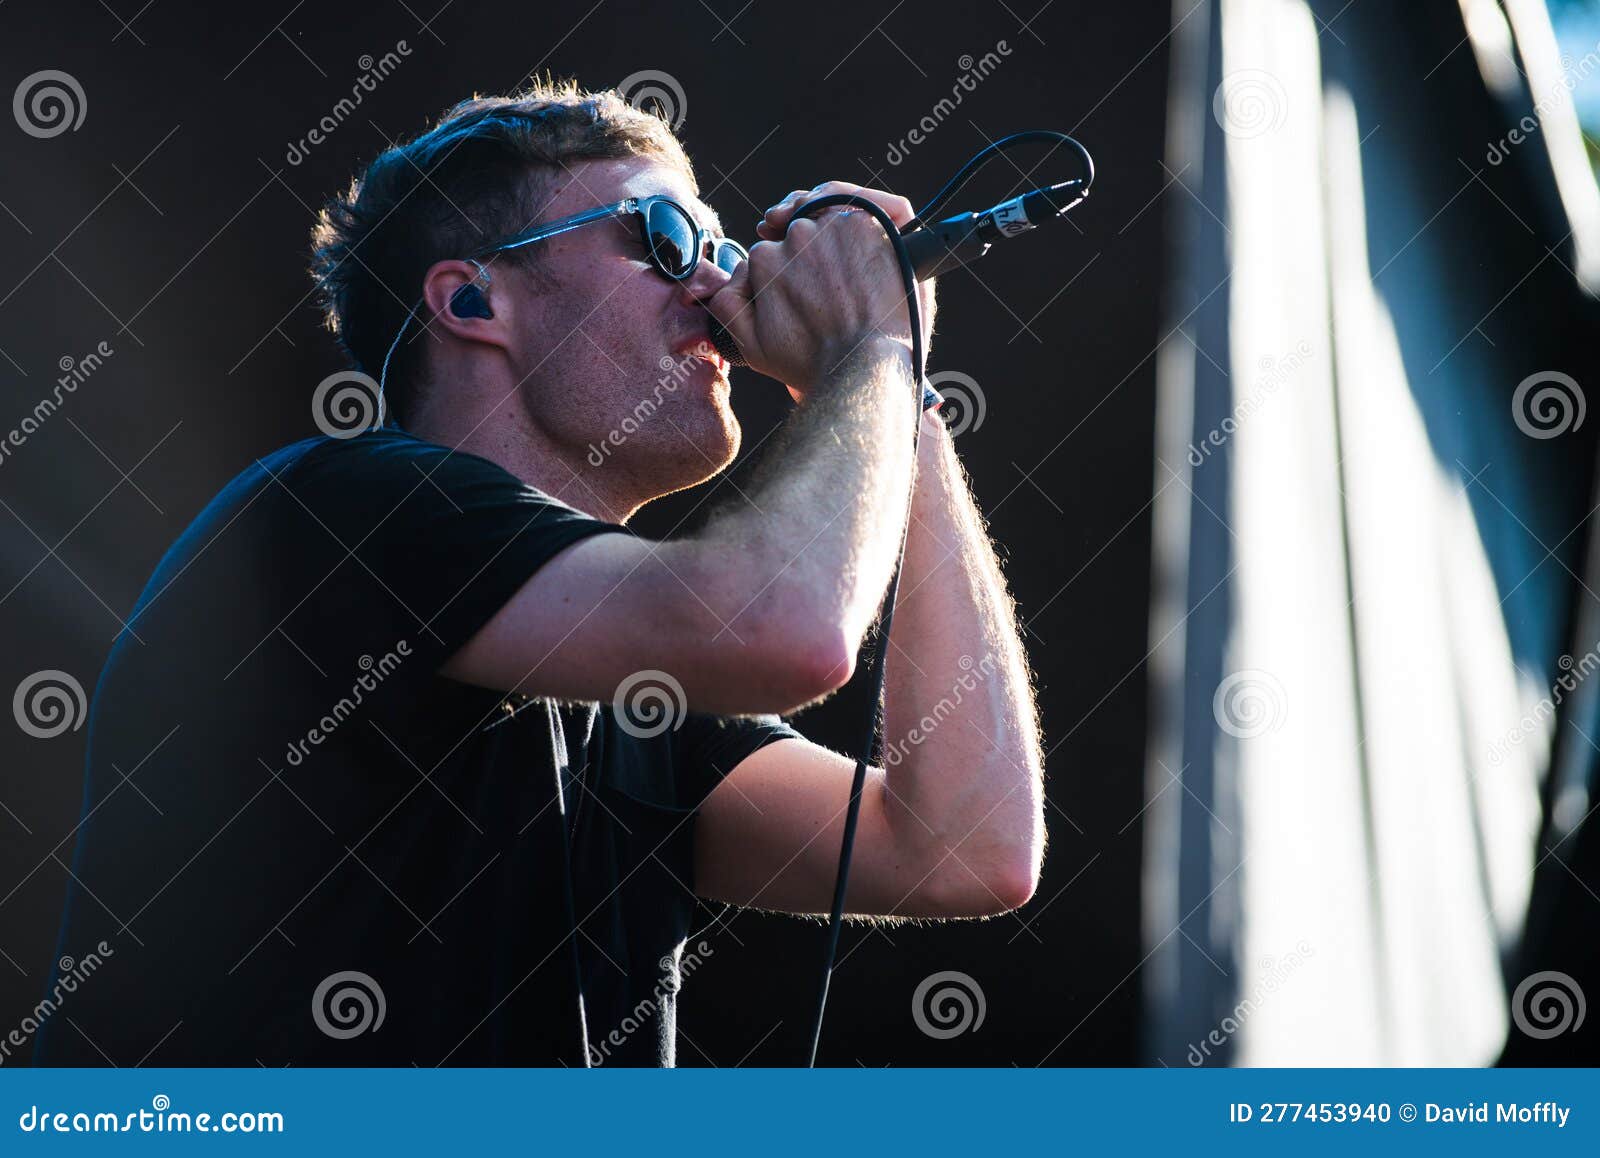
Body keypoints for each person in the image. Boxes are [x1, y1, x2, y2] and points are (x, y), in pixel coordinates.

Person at [37, 79, 1044, 1067]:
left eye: (721, 248)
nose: (713, 283)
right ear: (473, 297)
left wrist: (897, 387)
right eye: (665, 238)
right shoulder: (342, 510)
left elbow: (966, 848)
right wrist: (864, 348)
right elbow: (791, 632)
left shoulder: (633, 687)